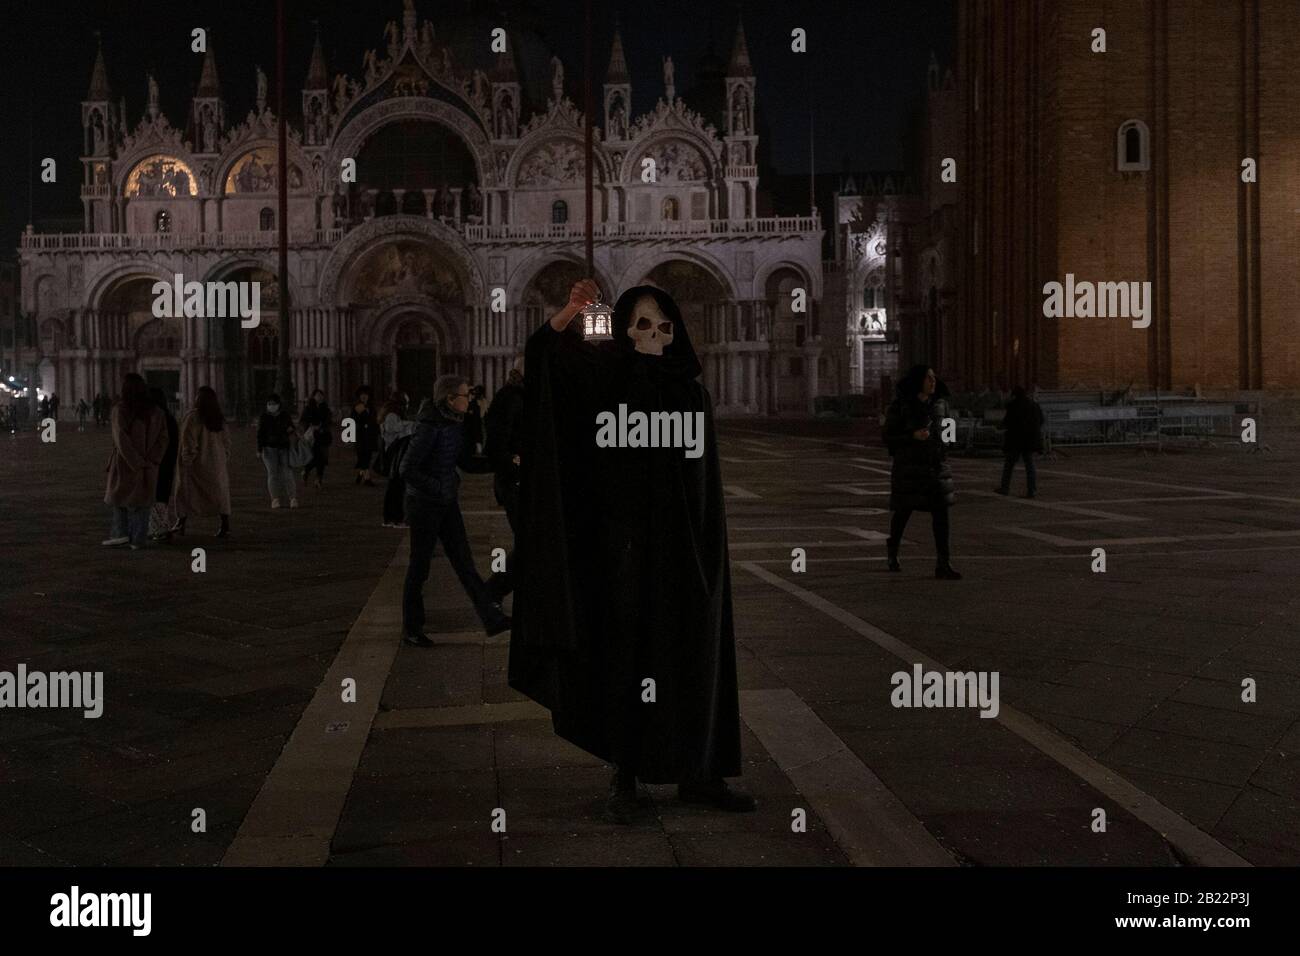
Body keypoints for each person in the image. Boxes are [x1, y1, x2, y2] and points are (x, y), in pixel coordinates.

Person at [509, 279, 754, 824]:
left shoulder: (691, 392)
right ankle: (626, 774)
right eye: (641, 324)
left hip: (686, 551)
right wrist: (570, 312)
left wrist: (707, 552)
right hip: (623, 553)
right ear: (622, 328)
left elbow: (703, 482)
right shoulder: (605, 382)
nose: (654, 335)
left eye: (664, 326)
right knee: (627, 658)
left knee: (695, 657)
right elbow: (546, 358)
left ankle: (701, 771)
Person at [399, 376, 511, 647]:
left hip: (446, 503)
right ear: (449, 399)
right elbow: (407, 469)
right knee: (419, 567)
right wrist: (437, 487)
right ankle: (412, 629)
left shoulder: (454, 423)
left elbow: (465, 461)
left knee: (464, 563)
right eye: (464, 395)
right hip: (424, 506)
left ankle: (491, 619)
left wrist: (502, 464)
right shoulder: (429, 426)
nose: (469, 399)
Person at [884, 364, 961, 580]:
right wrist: (912, 437)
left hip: (935, 467)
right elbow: (889, 437)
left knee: (941, 516)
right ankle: (893, 550)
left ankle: (943, 563)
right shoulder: (901, 406)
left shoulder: (941, 404)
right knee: (903, 513)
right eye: (928, 378)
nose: (933, 381)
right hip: (910, 468)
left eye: (933, 377)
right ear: (918, 381)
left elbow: (948, 431)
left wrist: (947, 441)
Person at [102, 373, 169, 550]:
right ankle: (138, 539)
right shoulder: (157, 412)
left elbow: (121, 439)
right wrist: (152, 460)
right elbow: (164, 439)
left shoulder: (120, 410)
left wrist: (136, 462)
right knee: (142, 503)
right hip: (148, 466)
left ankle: (120, 534)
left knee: (119, 499)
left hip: (125, 464)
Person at [484, 359, 525, 600]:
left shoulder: (524, 395)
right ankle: (490, 592)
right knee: (530, 543)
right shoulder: (509, 397)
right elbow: (495, 446)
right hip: (514, 483)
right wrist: (513, 461)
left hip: (521, 482)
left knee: (532, 542)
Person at [173, 385, 232, 537]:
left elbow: (188, 441)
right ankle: (225, 524)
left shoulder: (193, 417)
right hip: (217, 463)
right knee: (220, 493)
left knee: (184, 492)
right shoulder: (219, 418)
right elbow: (227, 442)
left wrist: (187, 460)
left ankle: (181, 523)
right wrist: (224, 457)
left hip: (197, 463)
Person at [996, 386, 1044, 498]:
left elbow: (1007, 421)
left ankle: (1005, 487)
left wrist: (999, 427)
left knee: (1009, 465)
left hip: (1015, 439)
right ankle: (1032, 490)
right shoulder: (1034, 405)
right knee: (1030, 465)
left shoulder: (1013, 406)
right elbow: (1041, 420)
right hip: (1029, 439)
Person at [379, 391, 417, 528]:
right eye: (405, 403)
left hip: (395, 454)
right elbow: (392, 429)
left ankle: (391, 518)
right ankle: (396, 518)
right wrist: (409, 425)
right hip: (395, 454)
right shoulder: (392, 415)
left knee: (395, 487)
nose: (407, 406)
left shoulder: (393, 414)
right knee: (397, 488)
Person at [146, 387, 180, 541]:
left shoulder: (156, 418)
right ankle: (159, 528)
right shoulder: (170, 418)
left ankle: (160, 529)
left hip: (157, 463)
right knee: (162, 497)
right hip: (168, 463)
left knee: (155, 497)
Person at [257, 392, 298, 508]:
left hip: (283, 447)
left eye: (274, 404)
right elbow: (260, 434)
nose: (271, 406)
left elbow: (291, 427)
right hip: (269, 448)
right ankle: (275, 499)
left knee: (288, 473)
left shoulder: (285, 415)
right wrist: (259, 449)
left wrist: (291, 430)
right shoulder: (264, 417)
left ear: (279, 404)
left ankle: (293, 498)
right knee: (272, 474)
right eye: (269, 404)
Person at [300, 388, 333, 489]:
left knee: (322, 458)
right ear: (313, 397)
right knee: (316, 457)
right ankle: (308, 471)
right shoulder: (308, 408)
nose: (319, 397)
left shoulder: (326, 409)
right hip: (312, 437)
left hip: (323, 436)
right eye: (317, 395)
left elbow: (329, 420)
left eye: (321, 395)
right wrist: (311, 426)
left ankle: (317, 478)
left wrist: (322, 427)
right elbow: (303, 421)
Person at [352, 385, 379, 486]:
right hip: (360, 435)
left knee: (368, 456)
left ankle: (361, 473)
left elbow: (374, 420)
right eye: (362, 395)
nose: (364, 396)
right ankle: (367, 478)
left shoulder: (371, 407)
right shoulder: (357, 406)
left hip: (370, 435)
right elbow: (354, 419)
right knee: (363, 456)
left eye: (366, 395)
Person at [462, 384, 486, 455]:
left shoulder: (477, 403)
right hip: (473, 427)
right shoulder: (472, 403)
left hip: (476, 426)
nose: (473, 395)